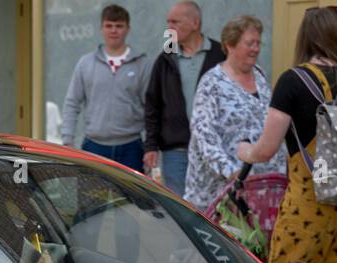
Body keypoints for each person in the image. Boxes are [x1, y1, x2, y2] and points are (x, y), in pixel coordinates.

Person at [237, 7, 337, 263]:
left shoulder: (292, 81)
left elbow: (267, 149)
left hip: (310, 207)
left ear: (305, 37)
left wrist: (245, 151)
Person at [184, 15, 283, 208]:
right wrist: (232, 172)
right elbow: (204, 136)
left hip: (259, 191)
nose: (256, 48)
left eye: (258, 43)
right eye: (249, 43)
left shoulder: (260, 75)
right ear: (230, 45)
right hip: (219, 194)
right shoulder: (212, 83)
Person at [144, 1, 224, 194]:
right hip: (176, 151)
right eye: (168, 22)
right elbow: (152, 105)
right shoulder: (166, 58)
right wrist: (151, 146)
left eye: (175, 22)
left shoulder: (220, 55)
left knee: (215, 207)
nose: (169, 28)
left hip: (214, 149)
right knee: (181, 208)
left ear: (195, 23)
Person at [61, 4, 152, 172]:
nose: (114, 31)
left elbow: (151, 108)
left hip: (131, 148)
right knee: (90, 198)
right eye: (109, 26)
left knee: (131, 199)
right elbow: (72, 103)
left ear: (128, 29)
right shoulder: (86, 63)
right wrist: (68, 140)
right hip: (94, 147)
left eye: (119, 26)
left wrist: (151, 146)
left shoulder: (142, 64)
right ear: (101, 28)